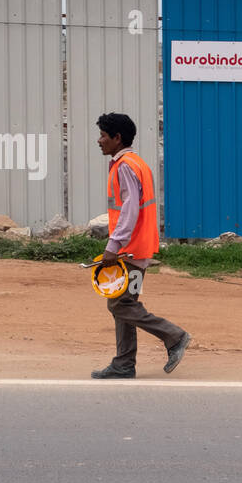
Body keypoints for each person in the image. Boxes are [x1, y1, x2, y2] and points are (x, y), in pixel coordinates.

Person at [90, 112, 191, 379]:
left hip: (129, 250)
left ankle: (174, 336)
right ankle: (123, 364)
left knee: (120, 305)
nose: (99, 141)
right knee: (124, 301)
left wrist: (114, 245)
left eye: (103, 135)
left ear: (117, 138)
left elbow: (129, 210)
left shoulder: (125, 166)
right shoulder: (137, 163)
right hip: (139, 247)